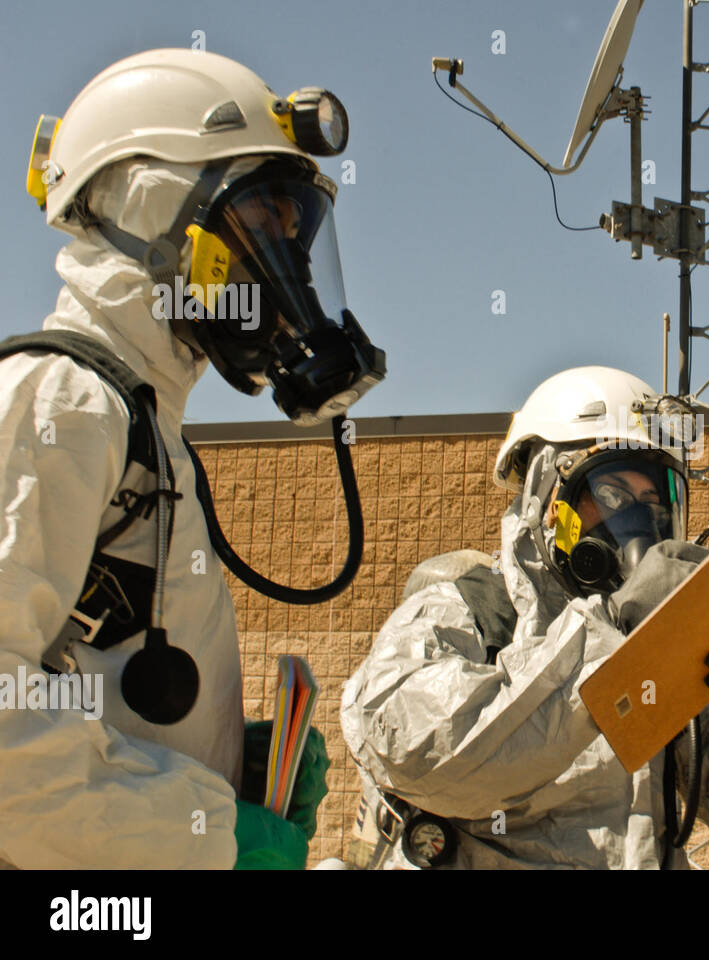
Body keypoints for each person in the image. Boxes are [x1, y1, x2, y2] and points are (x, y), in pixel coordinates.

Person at [0, 49, 384, 868]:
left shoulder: (141, 418)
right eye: (262, 220)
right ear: (151, 207)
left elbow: (89, 683)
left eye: (294, 228)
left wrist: (213, 757)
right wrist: (205, 836)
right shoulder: (59, 404)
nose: (286, 260)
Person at [341, 366, 709, 868]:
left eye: (652, 502)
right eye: (613, 496)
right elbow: (419, 757)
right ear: (548, 501)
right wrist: (607, 635)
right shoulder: (467, 612)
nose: (637, 522)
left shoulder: (662, 642)